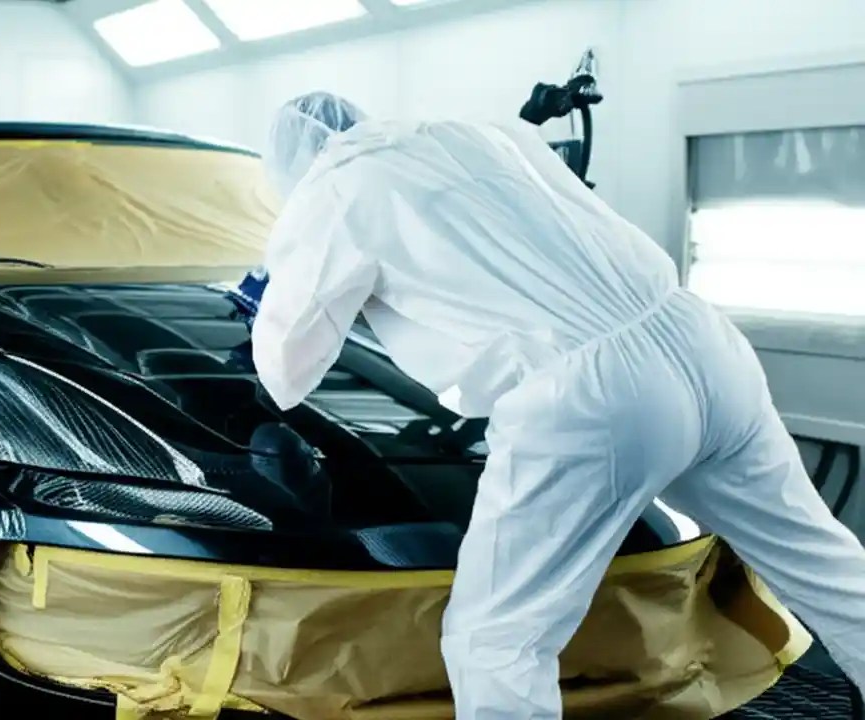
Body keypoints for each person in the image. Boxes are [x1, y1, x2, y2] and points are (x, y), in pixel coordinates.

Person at [238, 91, 865, 718]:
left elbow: (288, 367)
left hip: (593, 395)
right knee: (824, 562)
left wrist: (276, 296)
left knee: (497, 639)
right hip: (701, 341)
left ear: (292, 168)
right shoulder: (473, 131)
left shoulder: (335, 189)